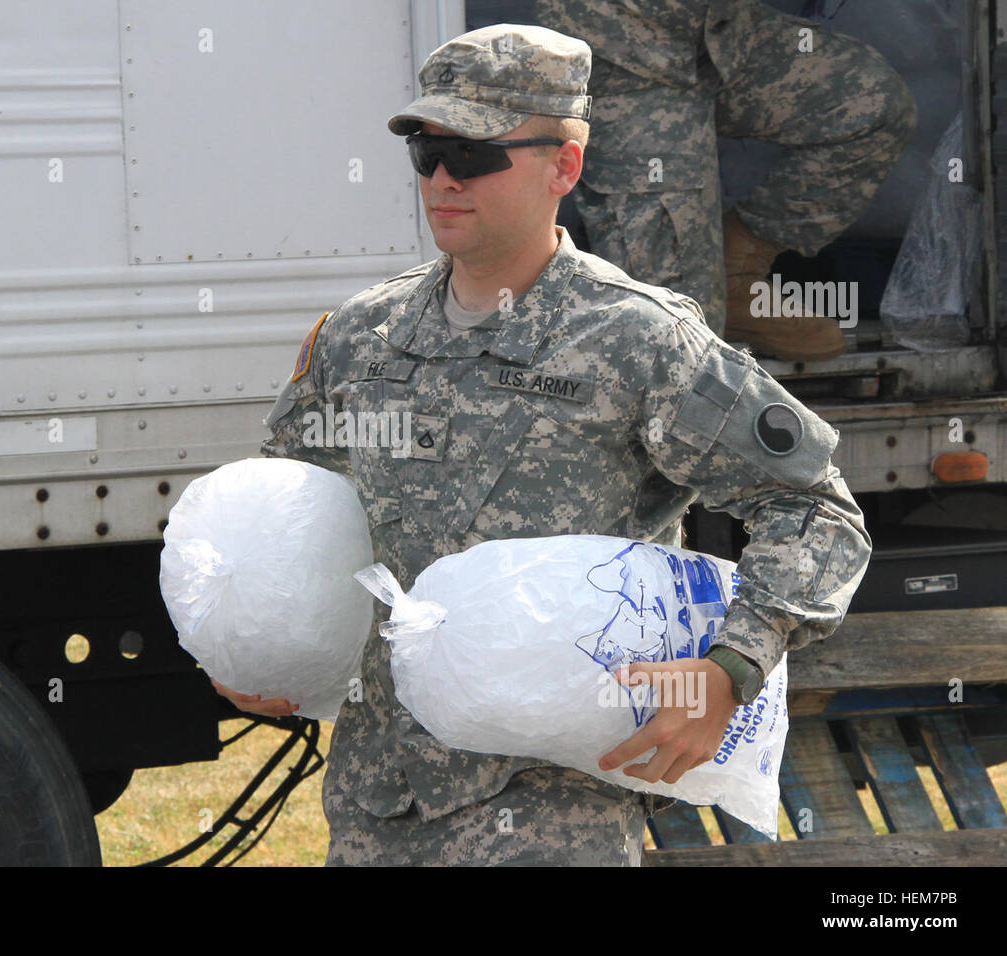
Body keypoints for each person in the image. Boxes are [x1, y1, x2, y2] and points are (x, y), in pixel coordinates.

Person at [216, 23, 871, 865]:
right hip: (381, 801)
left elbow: (814, 509)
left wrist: (730, 667)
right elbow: (286, 509)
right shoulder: (362, 336)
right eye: (427, 150)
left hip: (552, 813)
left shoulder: (636, 340)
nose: (444, 178)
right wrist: (256, 640)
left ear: (564, 165)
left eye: (477, 153)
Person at [534, 0, 918, 362]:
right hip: (624, 52)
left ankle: (738, 274)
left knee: (871, 104)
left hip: (719, 32)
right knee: (680, 341)